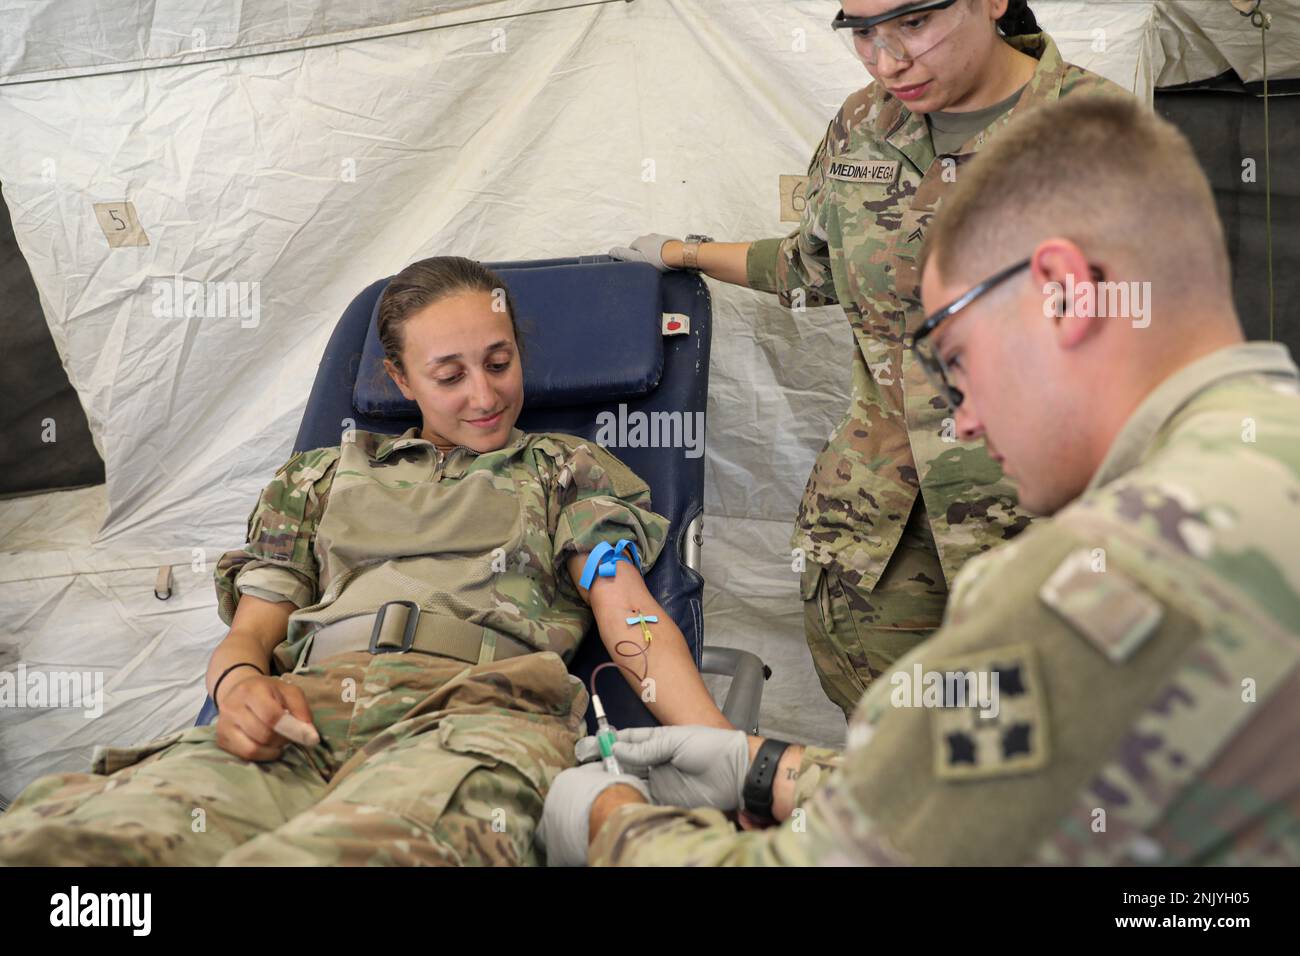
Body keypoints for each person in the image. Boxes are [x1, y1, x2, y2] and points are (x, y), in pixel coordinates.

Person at [541, 94, 1300, 866]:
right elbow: (1017, 805)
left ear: (1066, 294)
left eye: (953, 361)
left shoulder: (1096, 578)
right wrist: (774, 770)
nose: (961, 422)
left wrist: (610, 821)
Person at [0, 256, 730, 866]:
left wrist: (729, 765)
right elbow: (251, 636)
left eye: (500, 363)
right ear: (401, 379)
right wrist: (241, 689)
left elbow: (627, 612)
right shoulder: (316, 479)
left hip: (475, 716)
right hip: (305, 714)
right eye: (449, 376)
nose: (485, 395)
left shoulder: (562, 468)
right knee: (70, 847)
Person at [613, 1, 1129, 719]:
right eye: (862, 34)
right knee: (896, 765)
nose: (887, 62)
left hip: (1036, 529)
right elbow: (811, 266)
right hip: (876, 528)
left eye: (913, 24)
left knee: (1045, 768)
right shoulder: (865, 122)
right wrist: (680, 253)